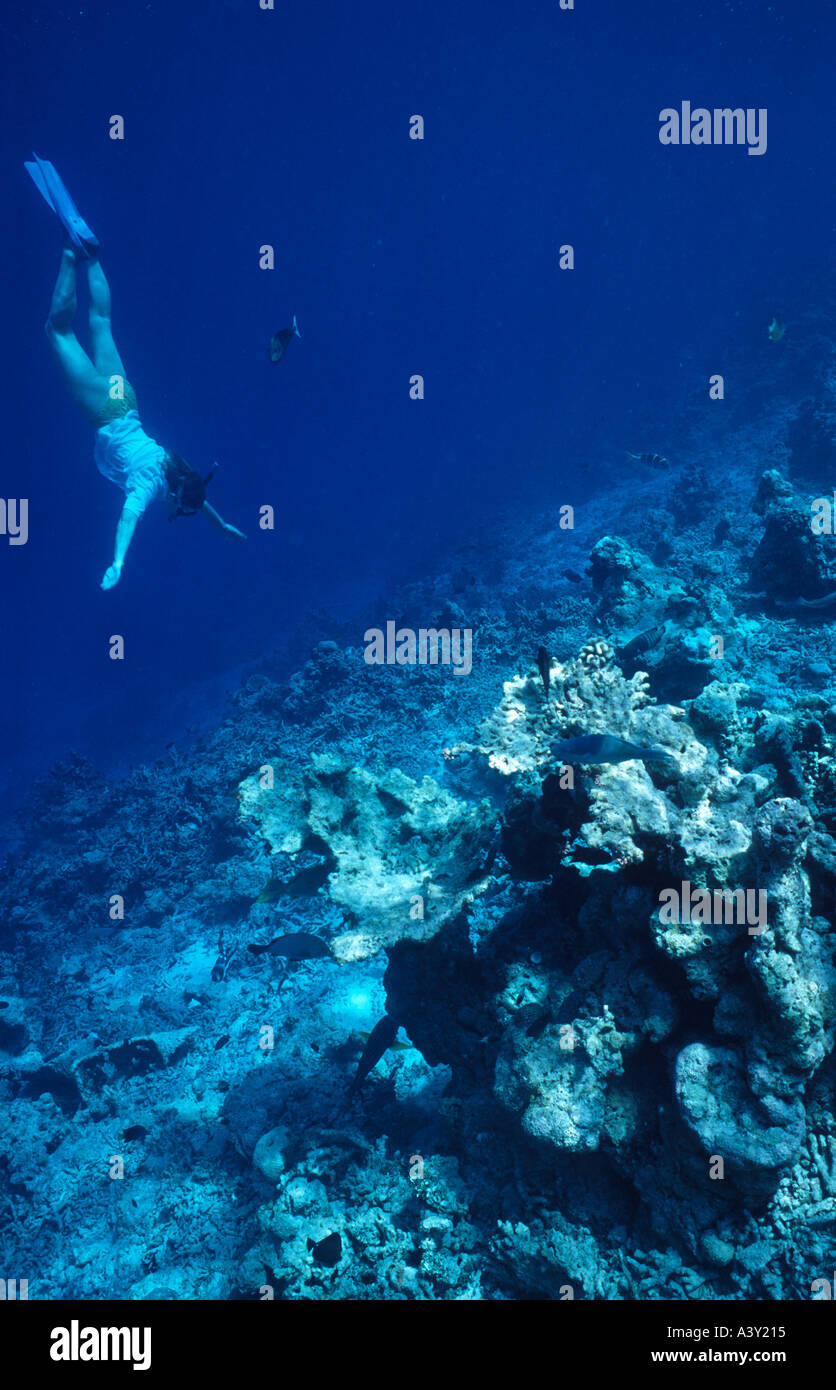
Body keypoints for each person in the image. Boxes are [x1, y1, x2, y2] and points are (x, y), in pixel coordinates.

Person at [28, 155, 246, 588]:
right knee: (57, 331)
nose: (177, 510)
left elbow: (198, 496)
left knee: (101, 324)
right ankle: (72, 254)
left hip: (125, 398)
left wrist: (220, 525)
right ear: (177, 497)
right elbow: (128, 519)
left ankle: (91, 257)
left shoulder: (176, 467)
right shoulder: (150, 485)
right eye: (180, 509)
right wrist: (118, 564)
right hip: (106, 412)